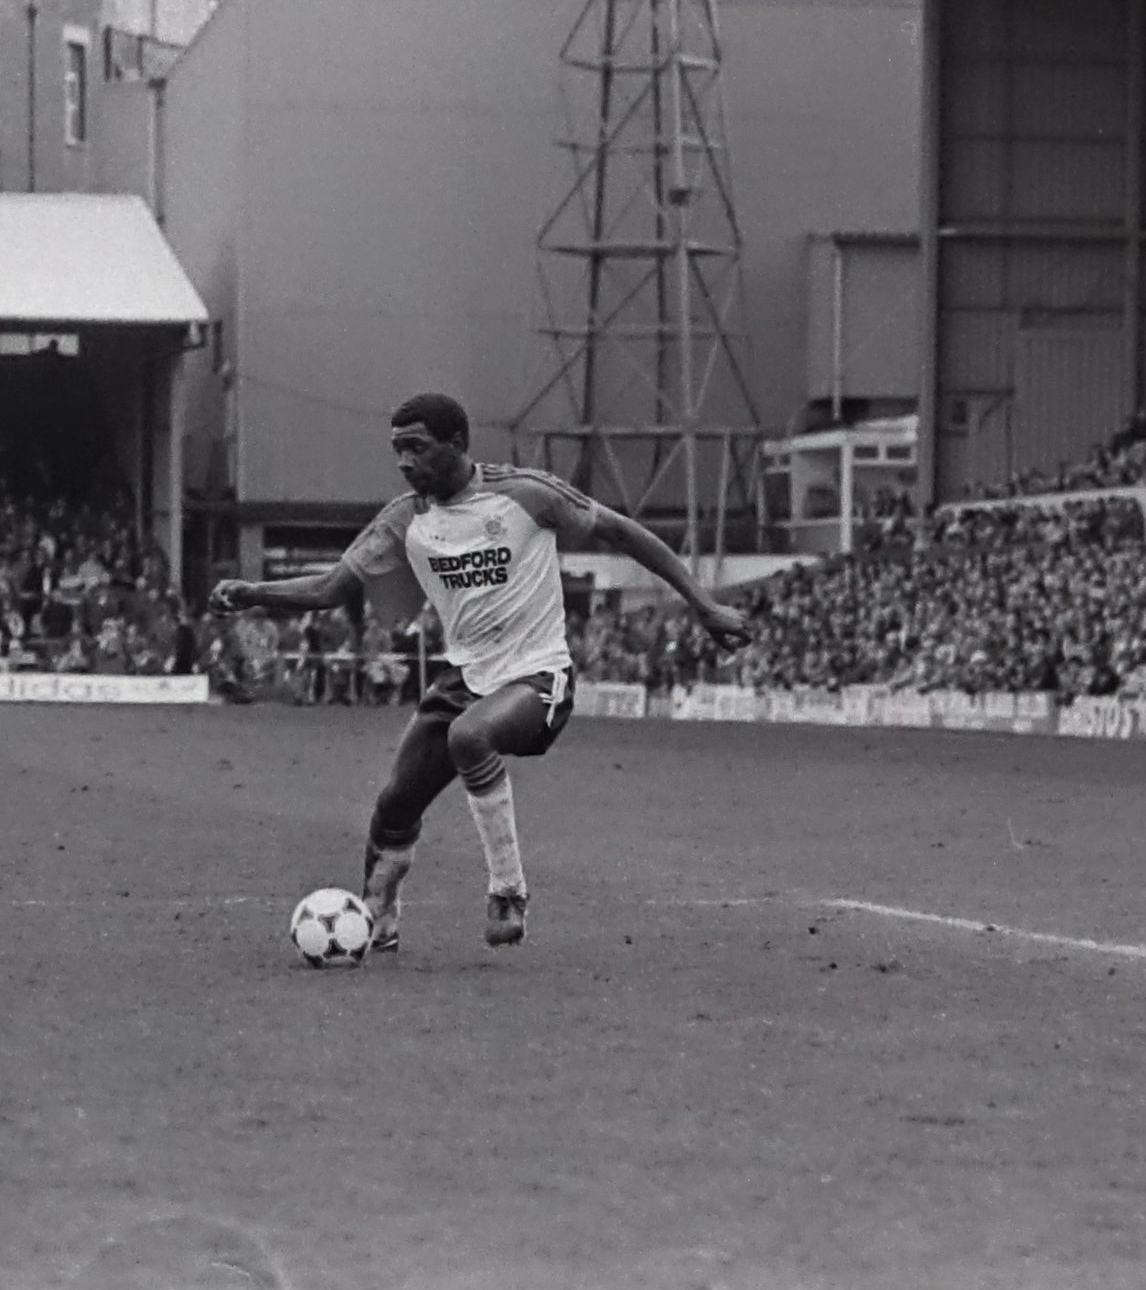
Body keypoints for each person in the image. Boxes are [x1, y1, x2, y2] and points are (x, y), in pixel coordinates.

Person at [209, 392, 751, 950]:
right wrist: (255, 592)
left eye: (416, 448)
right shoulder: (405, 519)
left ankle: (508, 892)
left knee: (469, 736)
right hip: (464, 679)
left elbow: (622, 533)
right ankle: (378, 921)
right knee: (394, 807)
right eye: (397, 450)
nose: (404, 462)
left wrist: (702, 604)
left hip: (538, 678)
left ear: (458, 444)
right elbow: (331, 587)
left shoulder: (526, 495)